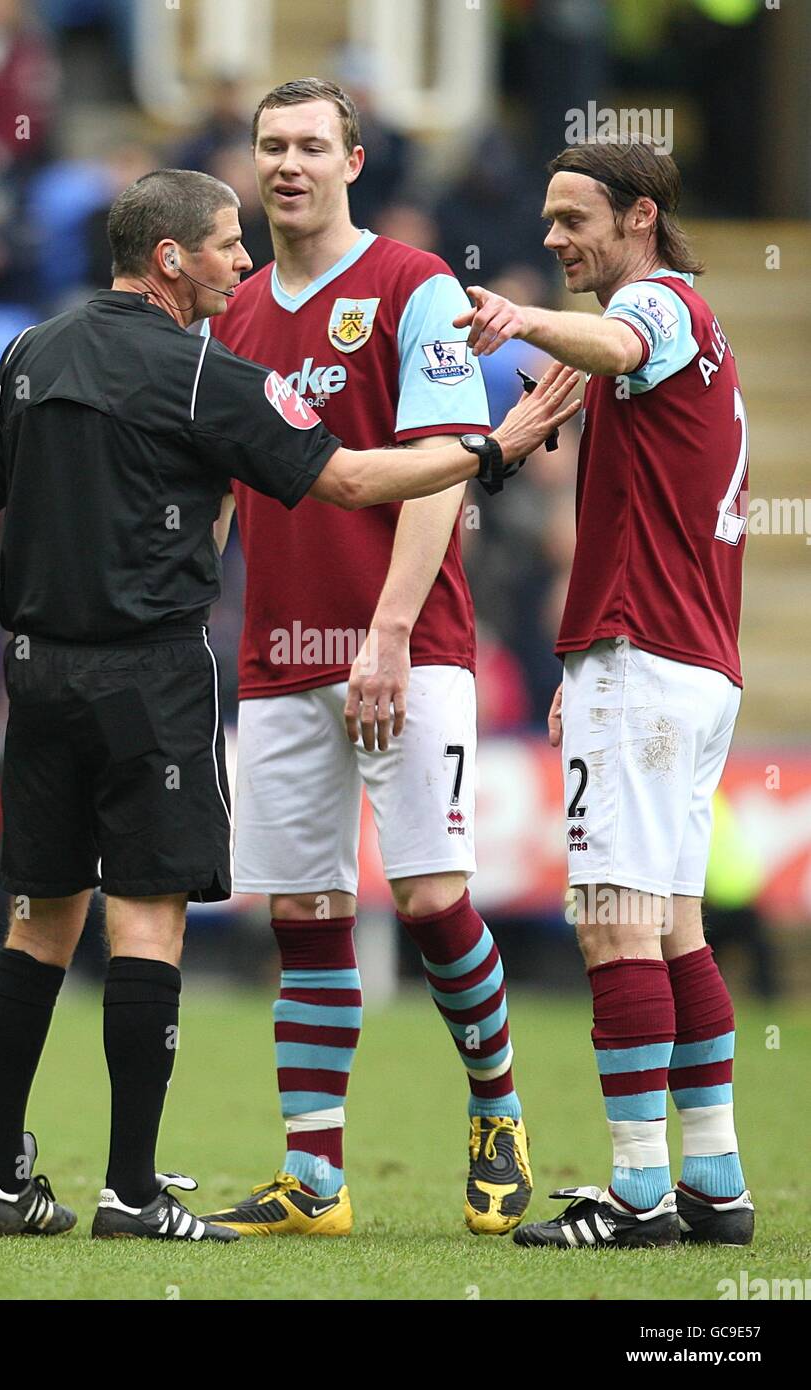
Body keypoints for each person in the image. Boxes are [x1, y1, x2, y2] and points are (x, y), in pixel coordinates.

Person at [0, 167, 577, 1244]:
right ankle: (131, 1189)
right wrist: (494, 446)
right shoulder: (208, 370)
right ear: (170, 259)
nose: (240, 261)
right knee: (148, 920)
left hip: (37, 675)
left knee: (39, 921)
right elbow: (346, 479)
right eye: (221, 244)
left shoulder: (25, 353)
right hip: (152, 679)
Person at [198, 78, 544, 1239]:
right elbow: (221, 496)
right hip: (277, 650)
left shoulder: (413, 285)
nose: (286, 164)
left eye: (309, 145)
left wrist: (390, 628)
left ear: (353, 158)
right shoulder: (234, 312)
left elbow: (447, 463)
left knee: (434, 896)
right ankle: (316, 1176)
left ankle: (497, 1111)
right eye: (268, 147)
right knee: (301, 908)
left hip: (409, 640)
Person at [458, 136, 754, 1249]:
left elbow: (619, 337)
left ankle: (636, 1194)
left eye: (570, 217)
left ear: (637, 217)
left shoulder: (663, 308)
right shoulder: (684, 334)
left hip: (646, 662)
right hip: (678, 663)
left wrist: (522, 317)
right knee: (674, 927)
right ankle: (714, 1183)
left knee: (613, 929)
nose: (550, 236)